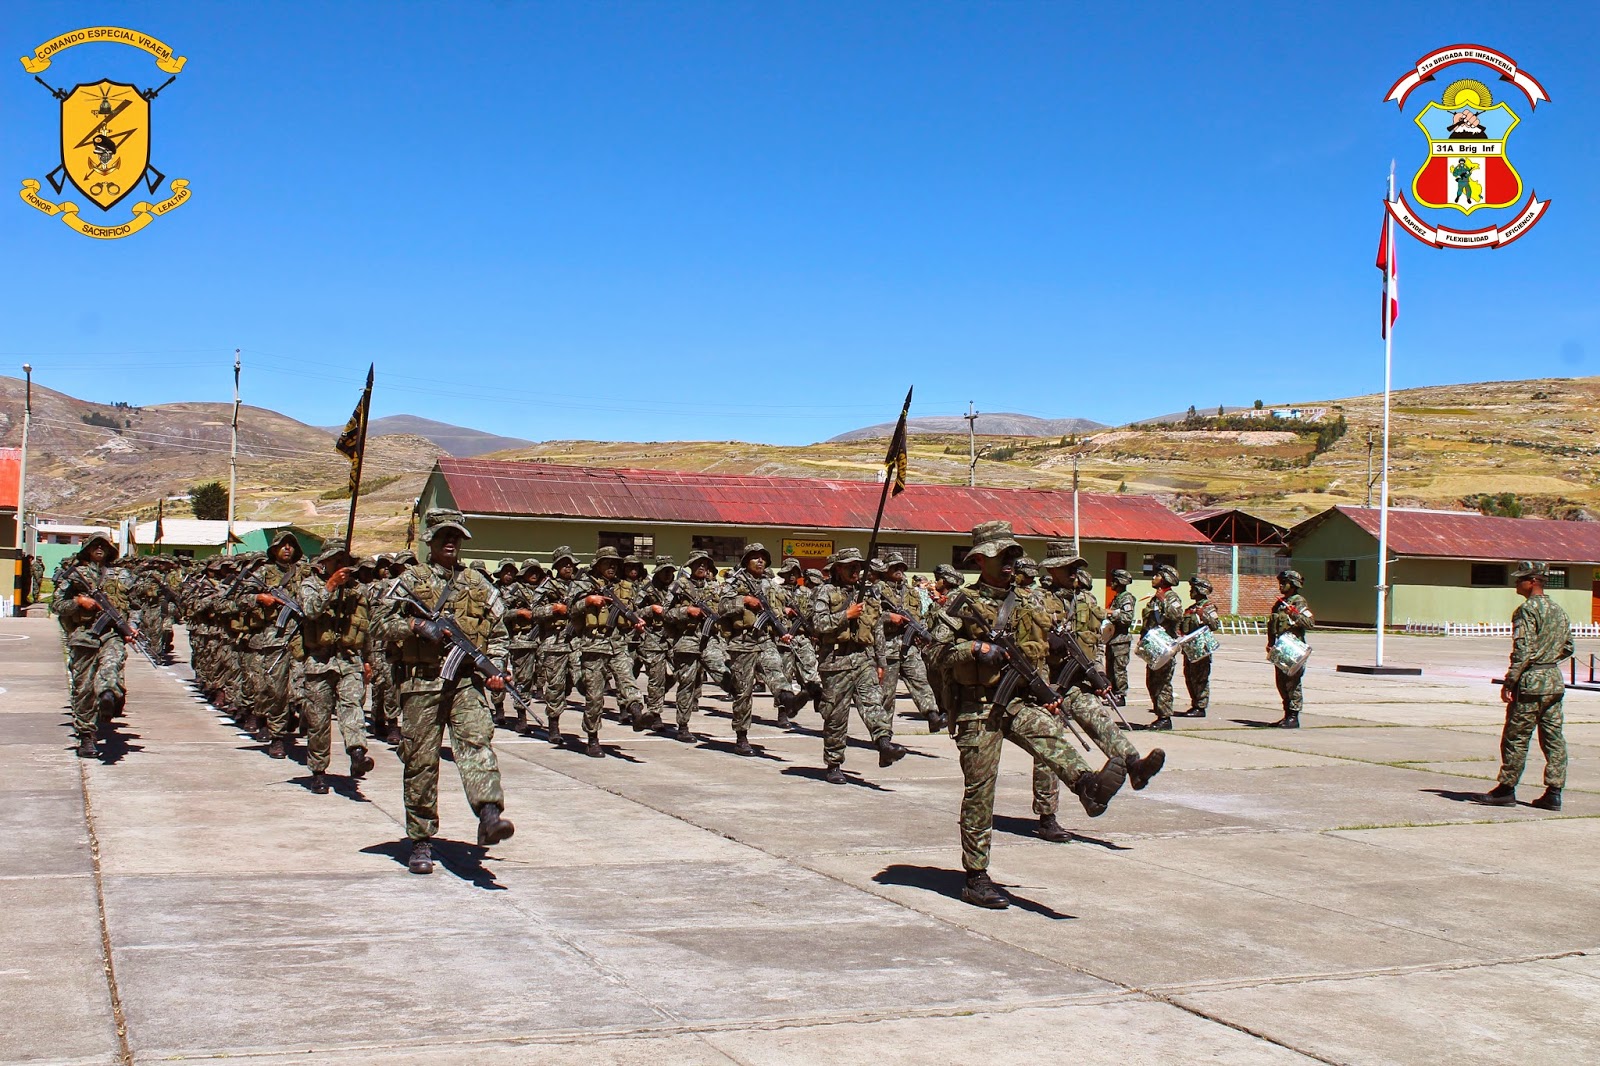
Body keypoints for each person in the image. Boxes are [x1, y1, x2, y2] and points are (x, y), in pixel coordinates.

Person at [925, 522, 1130, 909]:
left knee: (1049, 734)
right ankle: (976, 876)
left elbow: (1045, 651)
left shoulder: (1029, 601)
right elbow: (933, 655)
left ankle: (1086, 785)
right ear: (982, 559)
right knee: (980, 790)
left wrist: (1049, 689)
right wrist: (973, 650)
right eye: (1003, 555)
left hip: (1018, 700)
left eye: (1013, 555)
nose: (1010, 562)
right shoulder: (960, 603)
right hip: (976, 708)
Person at [375, 509, 514, 874]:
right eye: (443, 537)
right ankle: (421, 840)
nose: (450, 543)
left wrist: (497, 670)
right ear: (430, 541)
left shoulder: (479, 583)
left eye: (456, 538)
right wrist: (416, 625)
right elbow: (379, 623)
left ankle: (489, 813)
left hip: (466, 682)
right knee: (421, 760)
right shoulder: (409, 580)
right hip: (422, 682)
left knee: (477, 742)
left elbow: (499, 635)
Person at [1475, 562, 1571, 811]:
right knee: (1553, 738)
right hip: (1552, 681)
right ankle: (1554, 791)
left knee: (1516, 737)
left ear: (1533, 582)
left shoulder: (1526, 610)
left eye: (1520, 580)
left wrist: (1511, 679)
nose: (1516, 584)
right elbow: (1569, 646)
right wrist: (1548, 658)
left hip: (1530, 684)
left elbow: (1523, 649)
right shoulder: (1558, 610)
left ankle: (1506, 789)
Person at [808, 548, 907, 783]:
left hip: (863, 658)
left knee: (874, 702)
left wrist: (881, 661)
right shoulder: (824, 592)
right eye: (850, 566)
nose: (855, 570)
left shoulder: (868, 593)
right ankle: (834, 763)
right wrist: (846, 614)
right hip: (836, 662)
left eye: (858, 566)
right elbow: (817, 624)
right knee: (836, 716)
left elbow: (876, 629)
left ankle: (884, 744)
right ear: (837, 569)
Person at [297, 542, 376, 795]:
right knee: (318, 721)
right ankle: (319, 771)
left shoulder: (358, 591)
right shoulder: (311, 585)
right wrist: (331, 586)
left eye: (345, 560)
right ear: (325, 563)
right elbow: (310, 611)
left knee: (352, 706)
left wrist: (368, 659)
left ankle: (357, 752)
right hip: (319, 662)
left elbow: (366, 628)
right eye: (336, 560)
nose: (342, 565)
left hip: (349, 659)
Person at [51, 535, 135, 758]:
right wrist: (79, 602)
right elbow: (57, 605)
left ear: (109, 551)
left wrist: (132, 626)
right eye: (95, 546)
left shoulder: (122, 575)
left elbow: (135, 605)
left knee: (112, 663)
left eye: (104, 546)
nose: (99, 549)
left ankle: (108, 695)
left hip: (113, 634)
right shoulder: (76, 575)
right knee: (84, 688)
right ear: (87, 550)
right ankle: (87, 736)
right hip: (84, 634)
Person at [567, 546, 650, 756]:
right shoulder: (582, 584)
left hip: (618, 643)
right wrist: (587, 601)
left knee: (627, 680)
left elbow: (632, 611)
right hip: (593, 645)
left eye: (615, 563)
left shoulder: (623, 587)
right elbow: (569, 609)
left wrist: (636, 622)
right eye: (607, 563)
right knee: (595, 697)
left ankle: (637, 713)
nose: (612, 567)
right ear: (597, 565)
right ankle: (592, 737)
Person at [719, 543, 802, 751]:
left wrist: (783, 629)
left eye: (763, 558)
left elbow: (779, 608)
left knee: (775, 668)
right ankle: (741, 736)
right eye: (755, 557)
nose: (760, 561)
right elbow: (722, 606)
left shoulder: (769, 584)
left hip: (764, 639)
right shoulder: (735, 581)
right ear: (746, 560)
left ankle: (787, 699)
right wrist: (744, 600)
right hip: (742, 643)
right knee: (743, 693)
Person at [234, 532, 309, 758]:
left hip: (301, 637)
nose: (287, 549)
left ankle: (302, 723)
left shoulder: (305, 574)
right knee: (275, 689)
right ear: (274, 549)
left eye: (291, 545)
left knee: (302, 688)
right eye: (282, 545)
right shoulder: (263, 573)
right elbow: (237, 598)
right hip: (273, 638)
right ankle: (276, 736)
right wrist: (259, 599)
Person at [664, 549, 732, 742]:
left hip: (709, 639)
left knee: (724, 674)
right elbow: (666, 613)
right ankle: (683, 725)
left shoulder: (715, 588)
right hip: (687, 640)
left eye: (705, 564)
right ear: (691, 566)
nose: (702, 567)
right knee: (687, 682)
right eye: (698, 564)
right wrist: (687, 611)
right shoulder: (680, 586)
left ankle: (740, 712)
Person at [877, 555, 943, 731]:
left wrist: (920, 631)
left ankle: (932, 715)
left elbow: (919, 615)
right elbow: (869, 616)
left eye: (901, 566)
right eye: (894, 567)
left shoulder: (911, 592)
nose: (899, 570)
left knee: (920, 681)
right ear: (886, 570)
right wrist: (889, 617)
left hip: (910, 648)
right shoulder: (877, 590)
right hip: (888, 647)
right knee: (886, 695)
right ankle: (883, 733)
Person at [530, 546, 580, 744]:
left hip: (576, 642)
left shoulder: (580, 586)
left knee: (579, 679)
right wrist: (554, 609)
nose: (568, 568)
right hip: (554, 642)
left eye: (570, 564)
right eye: (564, 564)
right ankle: (554, 724)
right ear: (557, 566)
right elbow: (534, 612)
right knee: (556, 686)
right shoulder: (547, 587)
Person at [1265, 569, 1314, 728]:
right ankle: (1286, 714)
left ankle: (1293, 716)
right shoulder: (1279, 603)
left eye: (1284, 583)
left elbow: (1309, 623)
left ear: (1293, 584)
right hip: (1281, 647)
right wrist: (1270, 642)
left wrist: (1294, 614)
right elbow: (1272, 625)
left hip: (1293, 647)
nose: (1281, 586)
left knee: (1292, 683)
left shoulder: (1299, 602)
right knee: (1281, 682)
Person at [1141, 564, 1183, 730]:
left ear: (1165, 578)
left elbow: (1176, 614)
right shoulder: (1154, 598)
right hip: (1153, 646)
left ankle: (1165, 718)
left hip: (1165, 646)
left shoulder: (1171, 597)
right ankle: (1160, 714)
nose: (1153, 578)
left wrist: (1163, 600)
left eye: (1156, 575)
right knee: (1152, 681)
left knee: (1163, 682)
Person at [1177, 576, 1221, 718]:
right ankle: (1194, 703)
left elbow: (1214, 625)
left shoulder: (1208, 607)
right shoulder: (1190, 609)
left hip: (1201, 650)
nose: (1191, 592)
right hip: (1190, 650)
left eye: (1193, 589)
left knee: (1200, 678)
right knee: (1189, 677)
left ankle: (1200, 707)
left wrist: (1203, 616)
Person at [1104, 568, 1135, 705]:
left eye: (1114, 580)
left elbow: (1127, 617)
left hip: (1121, 641)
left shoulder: (1126, 598)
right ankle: (1113, 695)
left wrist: (1112, 612)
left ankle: (1120, 695)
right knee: (1110, 669)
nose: (1112, 583)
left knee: (1119, 669)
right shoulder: (1118, 597)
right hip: (1112, 639)